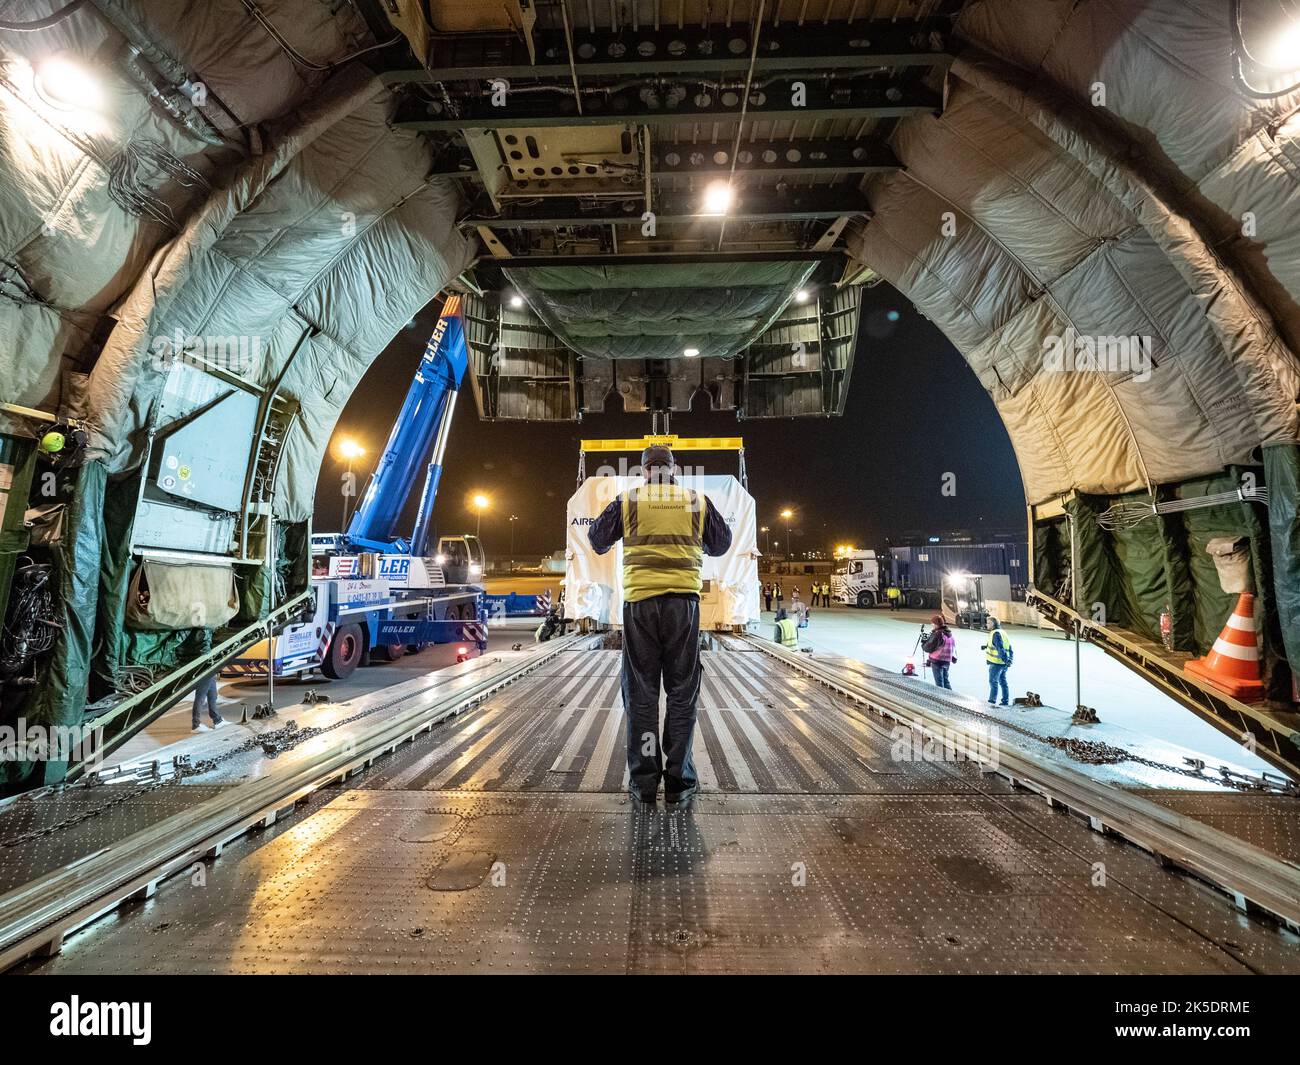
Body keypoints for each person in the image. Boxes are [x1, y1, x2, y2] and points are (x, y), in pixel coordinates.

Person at [588, 444, 731, 807]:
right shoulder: (695, 501)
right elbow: (722, 544)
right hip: (683, 608)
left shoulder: (629, 501)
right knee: (682, 694)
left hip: (640, 608)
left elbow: (597, 540)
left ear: (644, 470)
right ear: (673, 468)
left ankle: (645, 784)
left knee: (642, 694)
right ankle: (680, 783)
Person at [982, 615, 1014, 706]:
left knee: (993, 681)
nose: (986, 624)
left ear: (993, 624)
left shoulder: (995, 633)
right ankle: (1005, 701)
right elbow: (1008, 647)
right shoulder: (1002, 632)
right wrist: (1009, 659)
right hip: (1004, 662)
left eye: (988, 623)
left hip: (997, 662)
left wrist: (1005, 659)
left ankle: (992, 701)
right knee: (1003, 681)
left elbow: (1000, 648)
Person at [921, 613, 955, 690]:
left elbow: (929, 647)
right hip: (947, 660)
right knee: (946, 681)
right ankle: (950, 697)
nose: (932, 625)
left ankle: (942, 699)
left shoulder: (938, 634)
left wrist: (923, 643)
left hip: (937, 660)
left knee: (939, 683)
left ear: (936, 624)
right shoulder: (949, 633)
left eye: (933, 623)